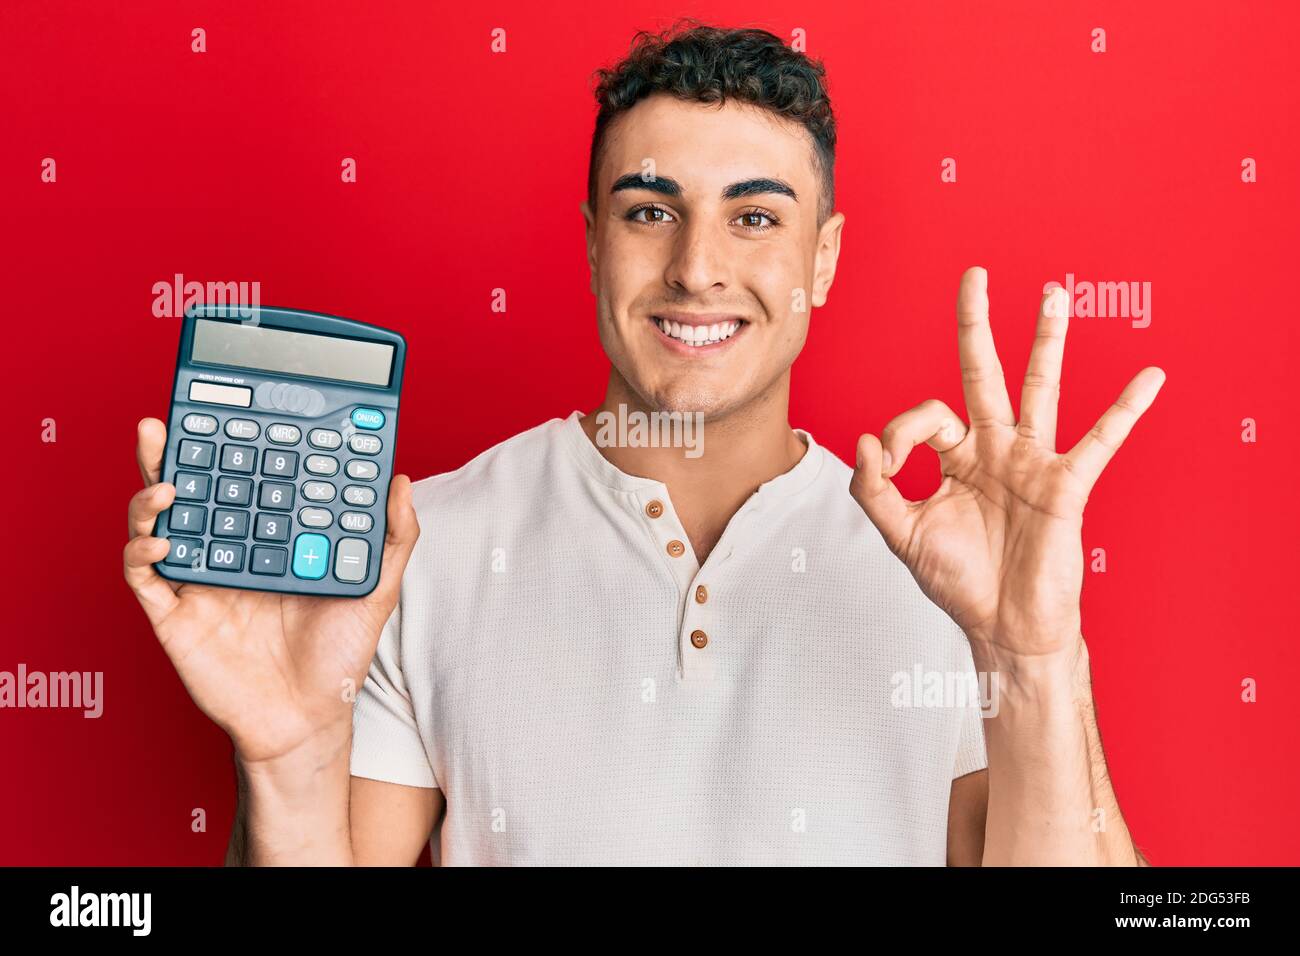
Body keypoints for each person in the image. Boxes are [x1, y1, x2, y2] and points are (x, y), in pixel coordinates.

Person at [124, 21, 1160, 865]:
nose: (697, 267)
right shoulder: (422, 542)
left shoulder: (946, 571)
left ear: (824, 258)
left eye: (755, 218)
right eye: (649, 210)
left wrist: (1033, 659)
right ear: (590, 242)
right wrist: (289, 751)